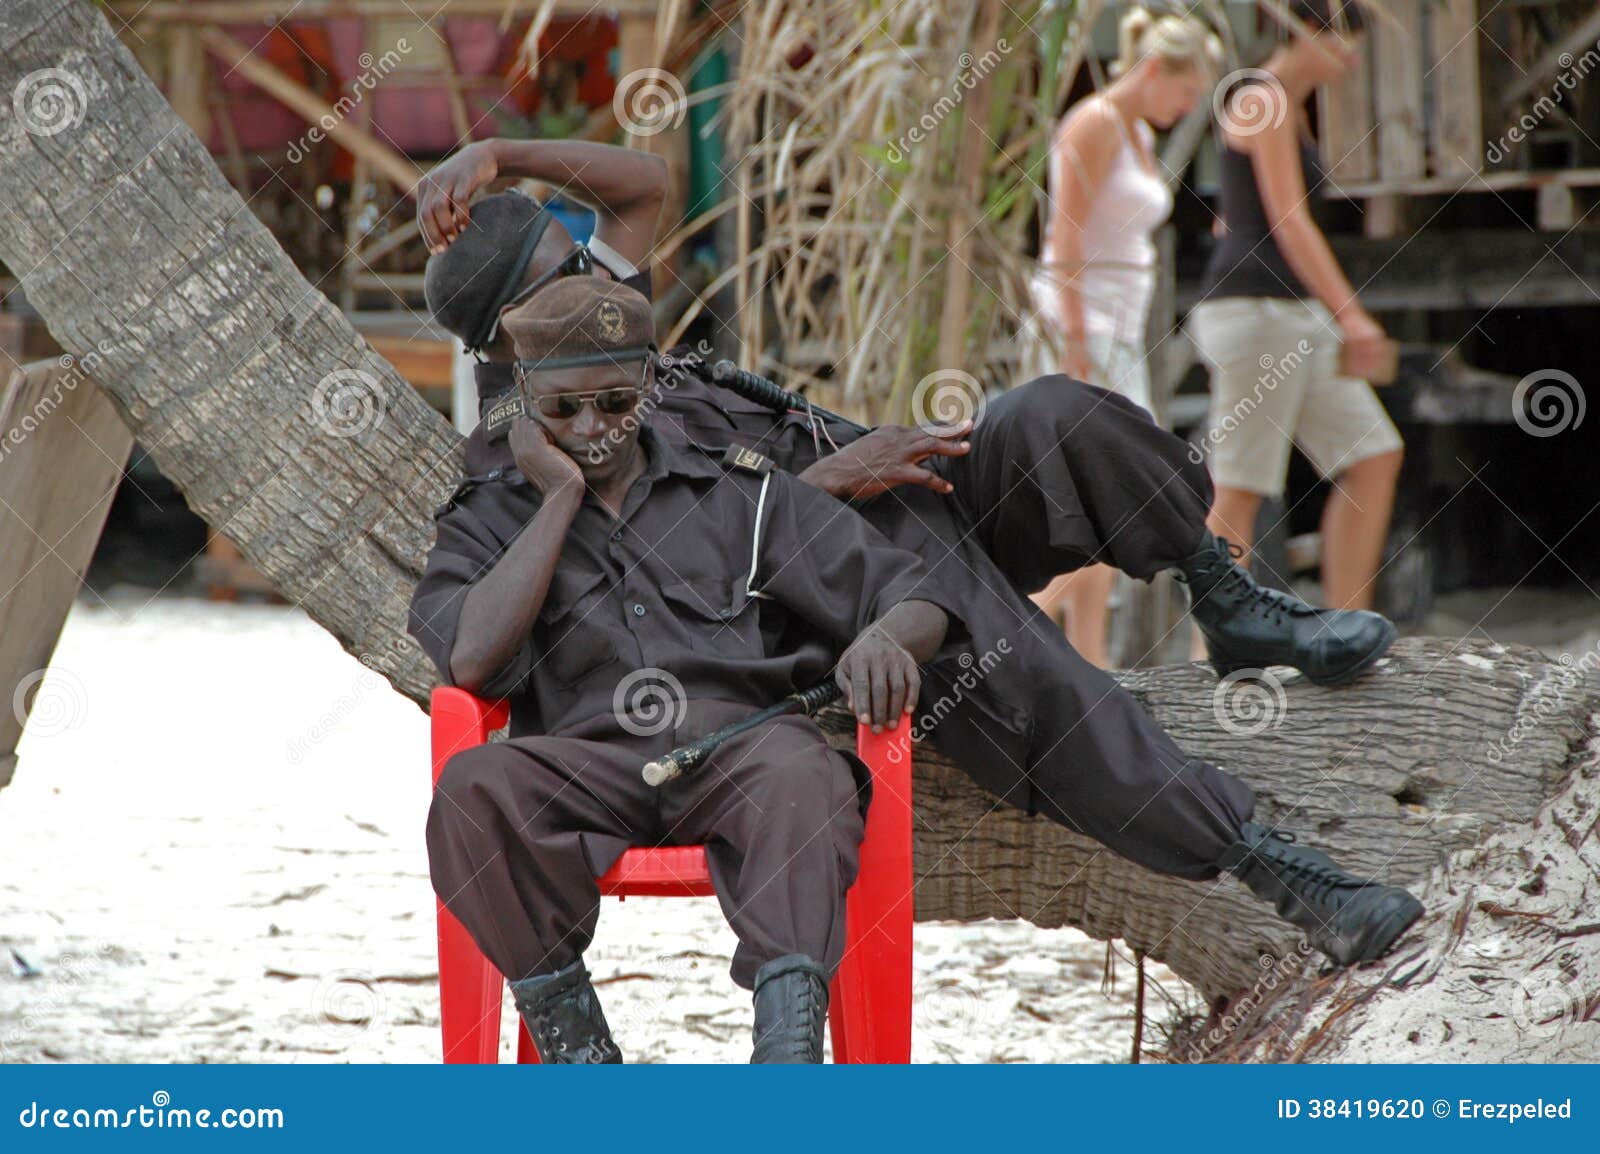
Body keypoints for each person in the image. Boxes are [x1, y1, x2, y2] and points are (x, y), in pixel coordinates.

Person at [414, 145, 1425, 979]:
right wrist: (831, 482)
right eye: (569, 267)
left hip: (904, 491)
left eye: (583, 253)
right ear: (512, 333)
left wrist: (501, 153)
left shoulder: (601, 332)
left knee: (1052, 413)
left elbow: (640, 182)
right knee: (1021, 660)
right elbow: (672, 574)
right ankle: (1271, 866)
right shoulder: (541, 441)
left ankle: (1222, 592)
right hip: (834, 582)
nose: (597, 273)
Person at [409, 277, 961, 1063]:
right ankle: (581, 1057)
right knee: (471, 792)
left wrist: (887, 640)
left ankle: (788, 1057)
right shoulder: (491, 515)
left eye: (615, 401)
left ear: (648, 381)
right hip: (586, 766)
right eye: (563, 409)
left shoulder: (737, 492)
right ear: (524, 395)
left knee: (806, 773)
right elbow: (469, 658)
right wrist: (559, 498)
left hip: (742, 751)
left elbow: (916, 593)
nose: (592, 428)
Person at [1187, 0, 1403, 611]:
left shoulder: (1292, 108)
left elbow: (1232, 215)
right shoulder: (1264, 98)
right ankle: (1219, 638)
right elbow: (1289, 221)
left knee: (1374, 455)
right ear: (1308, 32)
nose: (1352, 60)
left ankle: (1348, 625)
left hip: (1293, 313)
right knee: (1240, 488)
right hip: (1255, 315)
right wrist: (1352, 315)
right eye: (1344, 42)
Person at [1022, 7, 1222, 668]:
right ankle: (1018, 627)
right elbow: (1064, 237)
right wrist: (1076, 342)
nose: (1187, 107)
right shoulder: (1095, 122)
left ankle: (1089, 656)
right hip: (1085, 328)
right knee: (1107, 489)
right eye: (1186, 92)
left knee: (1104, 500)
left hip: (1122, 330)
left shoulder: (1134, 130)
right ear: (1155, 70)